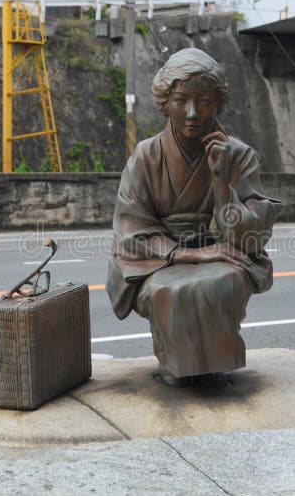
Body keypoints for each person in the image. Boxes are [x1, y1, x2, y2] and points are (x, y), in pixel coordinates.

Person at [106, 48, 282, 386]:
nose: (191, 113)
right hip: (159, 260)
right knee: (166, 291)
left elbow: (251, 237)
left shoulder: (239, 155)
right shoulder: (146, 157)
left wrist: (220, 182)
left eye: (203, 101)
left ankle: (213, 365)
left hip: (225, 250)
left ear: (217, 103)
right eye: (180, 100)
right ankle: (178, 367)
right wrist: (190, 253)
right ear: (164, 102)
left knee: (220, 281)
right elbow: (131, 230)